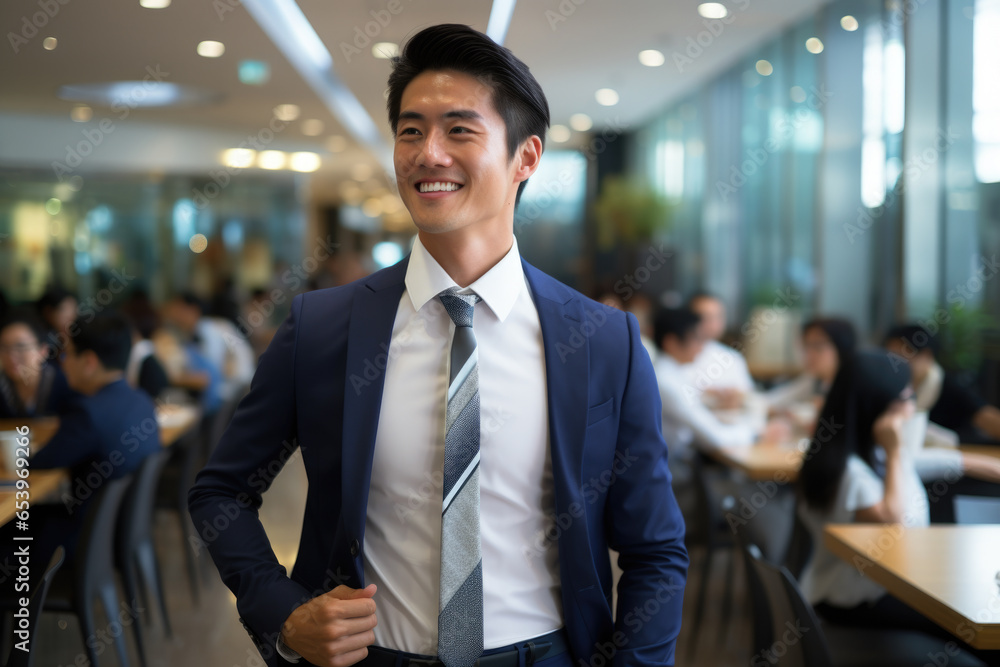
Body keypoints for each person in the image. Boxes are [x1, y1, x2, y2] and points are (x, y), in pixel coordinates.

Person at [190, 24, 687, 667]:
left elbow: (654, 548)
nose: (428, 153)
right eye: (410, 130)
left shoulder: (602, 341)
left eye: (459, 129)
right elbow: (221, 492)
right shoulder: (324, 326)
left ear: (526, 158)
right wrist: (282, 613)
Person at [796, 350, 995, 662]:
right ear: (880, 406)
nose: (912, 403)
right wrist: (894, 449)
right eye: (906, 395)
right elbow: (895, 524)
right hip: (855, 600)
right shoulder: (852, 474)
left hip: (874, 590)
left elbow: (940, 461)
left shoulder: (855, 453)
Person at [0, 312, 160, 562]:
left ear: (89, 362)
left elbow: (36, 463)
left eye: (67, 354)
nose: (63, 363)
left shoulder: (88, 413)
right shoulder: (141, 401)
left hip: (83, 541)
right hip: (122, 530)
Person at [884, 323, 1000, 444]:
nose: (896, 364)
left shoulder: (949, 388)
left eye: (902, 356)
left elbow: (987, 417)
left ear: (926, 355)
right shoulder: (890, 387)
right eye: (891, 358)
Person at [764, 317, 856, 425]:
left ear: (841, 346)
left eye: (817, 346)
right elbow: (772, 401)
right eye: (806, 346)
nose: (809, 355)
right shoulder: (814, 380)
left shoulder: (854, 384)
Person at [684, 292, 754, 409]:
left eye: (718, 317)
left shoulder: (733, 357)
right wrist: (708, 394)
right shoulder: (680, 354)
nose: (713, 324)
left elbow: (748, 396)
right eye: (705, 317)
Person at [0, 313, 75, 418]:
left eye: (21, 347)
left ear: (43, 351)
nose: (11, 356)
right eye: (4, 348)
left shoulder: (64, 384)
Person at [35, 286, 78, 361]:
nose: (72, 316)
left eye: (74, 309)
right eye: (65, 310)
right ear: (48, 312)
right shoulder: (40, 341)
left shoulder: (79, 338)